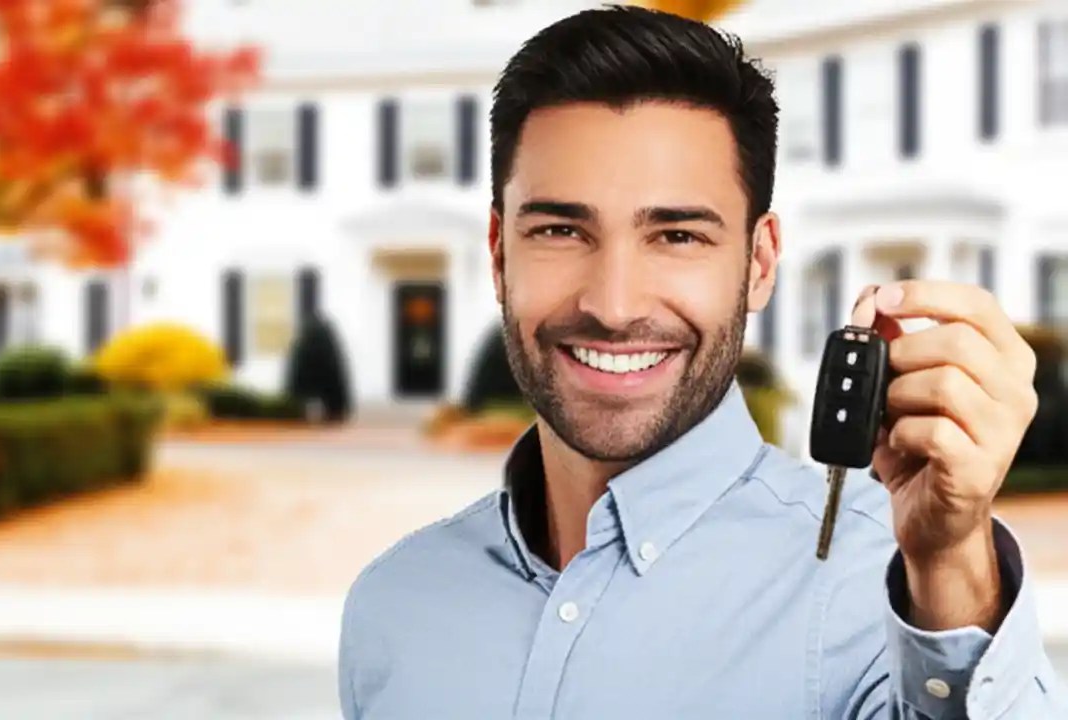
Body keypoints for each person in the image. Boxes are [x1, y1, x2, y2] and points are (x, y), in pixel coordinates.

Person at [337, 5, 1068, 718]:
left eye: (678, 236)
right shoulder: (393, 605)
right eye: (561, 230)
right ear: (499, 256)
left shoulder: (884, 585)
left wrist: (949, 564)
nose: (614, 305)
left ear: (759, 263)